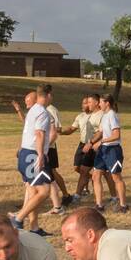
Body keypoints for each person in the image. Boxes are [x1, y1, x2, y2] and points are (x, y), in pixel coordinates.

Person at [9, 89, 57, 231]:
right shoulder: (42, 112)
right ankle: (17, 219)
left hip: (26, 153)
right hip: (33, 155)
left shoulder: (33, 110)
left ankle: (34, 228)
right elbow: (39, 134)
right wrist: (41, 154)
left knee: (32, 192)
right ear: (48, 95)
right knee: (44, 191)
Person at [89, 94, 128, 213]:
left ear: (107, 103)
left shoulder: (112, 115)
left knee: (116, 177)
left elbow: (116, 135)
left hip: (113, 151)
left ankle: (123, 205)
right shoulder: (104, 116)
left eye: (101, 102)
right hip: (103, 150)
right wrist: (91, 143)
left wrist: (101, 142)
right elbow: (101, 132)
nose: (99, 104)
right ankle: (99, 205)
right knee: (95, 176)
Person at [41, 84, 72, 214]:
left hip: (49, 147)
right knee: (50, 172)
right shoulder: (41, 109)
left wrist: (47, 144)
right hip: (44, 146)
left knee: (51, 172)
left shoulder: (51, 110)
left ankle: (65, 195)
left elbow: (58, 129)